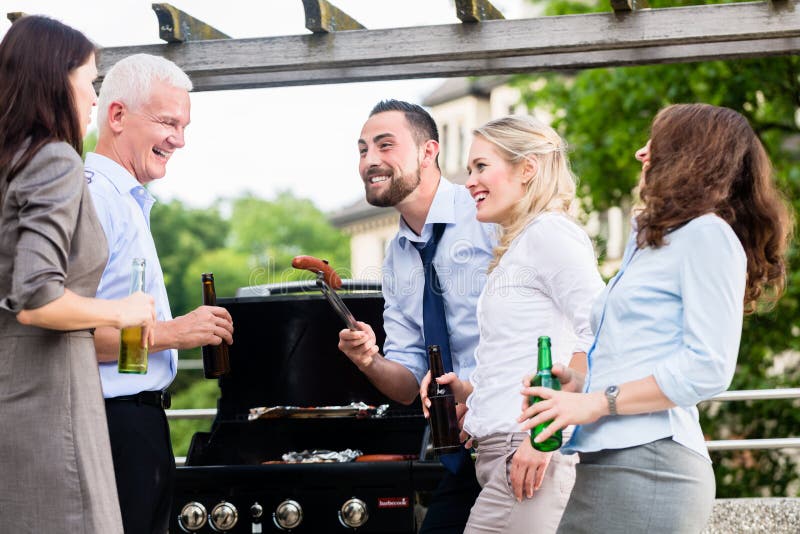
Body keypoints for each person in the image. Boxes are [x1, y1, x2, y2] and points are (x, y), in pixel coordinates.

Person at [520, 103, 792, 533]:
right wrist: (579, 385)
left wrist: (595, 402)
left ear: (689, 157)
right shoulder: (653, 244)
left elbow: (708, 366)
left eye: (657, 143)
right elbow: (639, 354)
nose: (641, 153)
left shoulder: (708, 235)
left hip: (650, 465)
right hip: (611, 462)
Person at [0, 16, 157, 534]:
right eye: (89, 81)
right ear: (55, 78)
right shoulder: (54, 160)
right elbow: (37, 298)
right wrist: (122, 310)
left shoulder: (11, 162)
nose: (93, 97)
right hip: (49, 402)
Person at [419, 115, 604, 533]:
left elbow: (601, 332)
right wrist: (470, 393)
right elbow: (520, 356)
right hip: (503, 454)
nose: (469, 182)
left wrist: (545, 434)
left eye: (481, 166)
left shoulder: (550, 233)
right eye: (469, 169)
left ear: (527, 169)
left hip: (528, 455)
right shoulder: (519, 246)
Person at [86, 53, 235, 534]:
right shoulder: (95, 200)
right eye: (168, 122)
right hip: (113, 426)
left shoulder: (125, 199)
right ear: (116, 115)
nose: (180, 139)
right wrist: (174, 333)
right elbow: (68, 335)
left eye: (184, 126)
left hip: (136, 424)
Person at [338, 100, 495, 533]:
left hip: (516, 435)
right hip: (461, 450)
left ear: (429, 151)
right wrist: (369, 359)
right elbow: (408, 385)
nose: (370, 160)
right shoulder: (396, 257)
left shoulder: (486, 214)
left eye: (385, 145)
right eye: (363, 149)